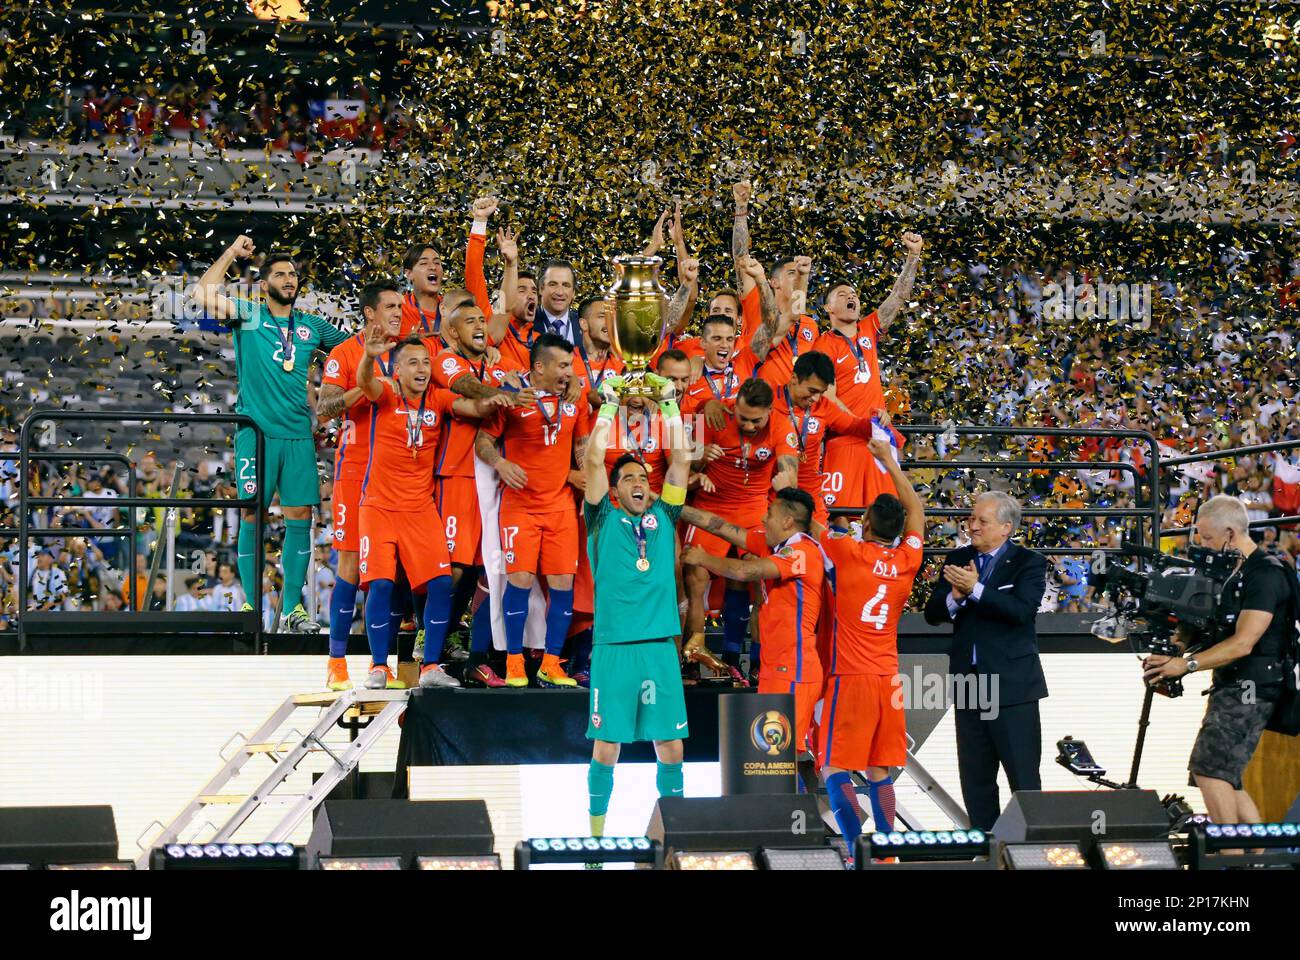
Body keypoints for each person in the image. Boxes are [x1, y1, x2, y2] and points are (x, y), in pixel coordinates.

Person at [192, 236, 350, 633]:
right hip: (255, 433)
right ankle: (250, 607)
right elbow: (202, 293)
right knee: (252, 514)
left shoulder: (313, 326)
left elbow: (354, 353)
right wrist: (231, 254)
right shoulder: (247, 313)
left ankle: (293, 608)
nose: (288, 279)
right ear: (264, 285)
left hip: (298, 434)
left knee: (300, 516)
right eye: (279, 274)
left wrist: (335, 403)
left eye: (293, 274)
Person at [355, 330, 507, 690]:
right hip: (378, 506)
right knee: (379, 582)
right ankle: (379, 666)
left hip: (420, 508)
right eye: (413, 363)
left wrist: (500, 395)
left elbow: (474, 408)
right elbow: (365, 384)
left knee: (440, 584)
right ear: (397, 371)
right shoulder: (387, 392)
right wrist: (367, 356)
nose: (422, 368)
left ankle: (431, 667)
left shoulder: (438, 398)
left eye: (426, 362)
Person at [581, 371, 690, 839]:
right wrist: (608, 406)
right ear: (616, 489)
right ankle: (595, 838)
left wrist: (668, 403)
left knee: (671, 747)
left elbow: (682, 458)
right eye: (628, 478)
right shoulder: (601, 516)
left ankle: (677, 833)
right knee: (606, 748)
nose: (639, 482)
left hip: (660, 648)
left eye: (643, 476)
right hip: (614, 649)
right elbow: (591, 460)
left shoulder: (665, 514)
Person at [1143, 495, 1297, 824]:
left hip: (1253, 686)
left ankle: (1228, 852)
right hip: (1230, 683)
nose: (1202, 544)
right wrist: (1177, 646)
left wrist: (1187, 664)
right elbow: (1204, 625)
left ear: (1230, 533)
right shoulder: (1226, 572)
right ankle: (1256, 854)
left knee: (1209, 770)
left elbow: (1243, 642)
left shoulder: (1266, 574)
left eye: (1207, 537)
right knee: (1227, 776)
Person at [816, 440, 926, 849]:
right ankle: (885, 852)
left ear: (865, 521)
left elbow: (811, 525)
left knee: (831, 766)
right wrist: (889, 464)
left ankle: (852, 849)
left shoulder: (848, 552)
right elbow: (916, 512)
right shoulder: (908, 559)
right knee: (879, 770)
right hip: (889, 681)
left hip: (853, 678)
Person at [923, 491, 1048, 831]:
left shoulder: (1029, 563)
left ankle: (1031, 852)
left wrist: (977, 590)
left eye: (982, 521)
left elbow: (1022, 611)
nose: (972, 526)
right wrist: (955, 596)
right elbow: (932, 614)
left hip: (1012, 687)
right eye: (971, 519)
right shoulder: (958, 557)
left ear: (1006, 527)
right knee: (976, 780)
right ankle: (988, 849)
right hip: (969, 685)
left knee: (1023, 777)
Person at [474, 332, 590, 688]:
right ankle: (514, 662)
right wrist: (501, 464)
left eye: (570, 365)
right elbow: (483, 442)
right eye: (562, 365)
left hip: (560, 508)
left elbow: (582, 445)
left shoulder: (576, 398)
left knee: (563, 586)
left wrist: (584, 481)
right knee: (519, 582)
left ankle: (552, 663)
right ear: (539, 367)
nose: (569, 372)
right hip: (520, 508)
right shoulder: (513, 398)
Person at [681, 486, 825, 758]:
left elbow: (746, 570)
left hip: (795, 668)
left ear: (787, 521)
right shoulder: (776, 545)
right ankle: (795, 800)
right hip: (776, 668)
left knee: (784, 756)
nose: (762, 520)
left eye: (769, 514)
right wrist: (673, 506)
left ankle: (804, 802)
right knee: (771, 756)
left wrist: (703, 559)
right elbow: (720, 526)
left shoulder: (802, 553)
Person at [316, 281, 403, 690]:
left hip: (403, 473)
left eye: (400, 307)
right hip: (357, 472)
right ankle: (336, 661)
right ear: (370, 313)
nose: (398, 313)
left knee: (388, 572)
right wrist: (367, 386)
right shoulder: (345, 352)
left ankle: (381, 664)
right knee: (351, 566)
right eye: (390, 306)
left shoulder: (407, 352)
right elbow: (324, 409)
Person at [681, 377, 799, 679]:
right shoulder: (716, 415)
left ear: (770, 411)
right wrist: (699, 457)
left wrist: (786, 483)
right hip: (711, 506)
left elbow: (789, 472)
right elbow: (684, 463)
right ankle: (691, 659)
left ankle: (749, 661)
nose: (747, 426)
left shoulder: (782, 427)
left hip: (754, 511)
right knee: (695, 580)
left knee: (758, 585)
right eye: (742, 418)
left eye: (755, 421)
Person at [812, 232, 923, 516]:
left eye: (854, 294)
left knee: (884, 517)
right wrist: (859, 423)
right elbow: (828, 396)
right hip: (845, 439)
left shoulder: (869, 329)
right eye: (842, 295)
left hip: (877, 439)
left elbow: (899, 296)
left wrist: (913, 257)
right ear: (828, 308)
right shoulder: (824, 344)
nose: (851, 297)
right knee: (841, 518)